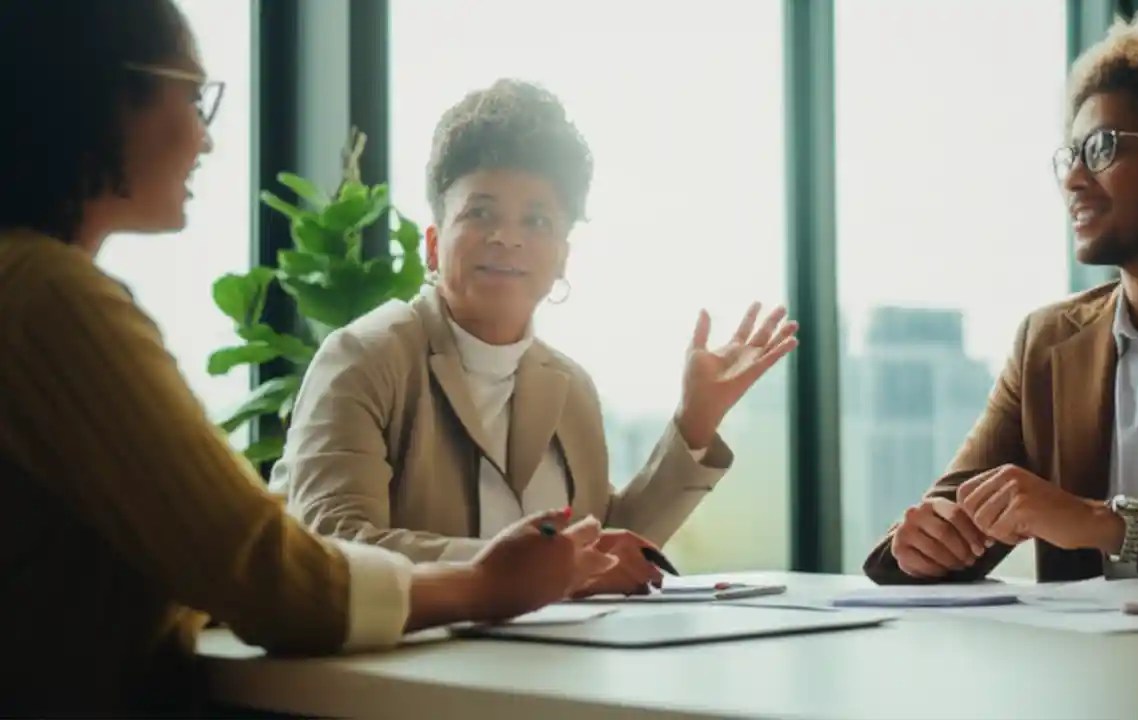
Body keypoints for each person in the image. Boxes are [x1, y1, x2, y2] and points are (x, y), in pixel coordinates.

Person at [0, 1, 617, 714]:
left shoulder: (33, 290)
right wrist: (483, 585)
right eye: (193, 95)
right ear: (104, 90)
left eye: (538, 220)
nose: (205, 138)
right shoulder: (50, 300)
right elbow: (263, 569)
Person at [270, 79, 798, 596]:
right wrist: (524, 570)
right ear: (433, 245)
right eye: (480, 212)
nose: (507, 237)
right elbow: (332, 543)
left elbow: (607, 545)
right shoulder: (363, 358)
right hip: (401, 668)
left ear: (562, 257)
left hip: (548, 666)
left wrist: (696, 423)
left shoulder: (570, 387)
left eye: (537, 220)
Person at [865, 8, 1138, 588]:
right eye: (1070, 155)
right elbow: (935, 523)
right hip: (1083, 676)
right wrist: (925, 542)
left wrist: (1107, 523)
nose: (1074, 180)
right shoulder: (1048, 343)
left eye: (1103, 148)